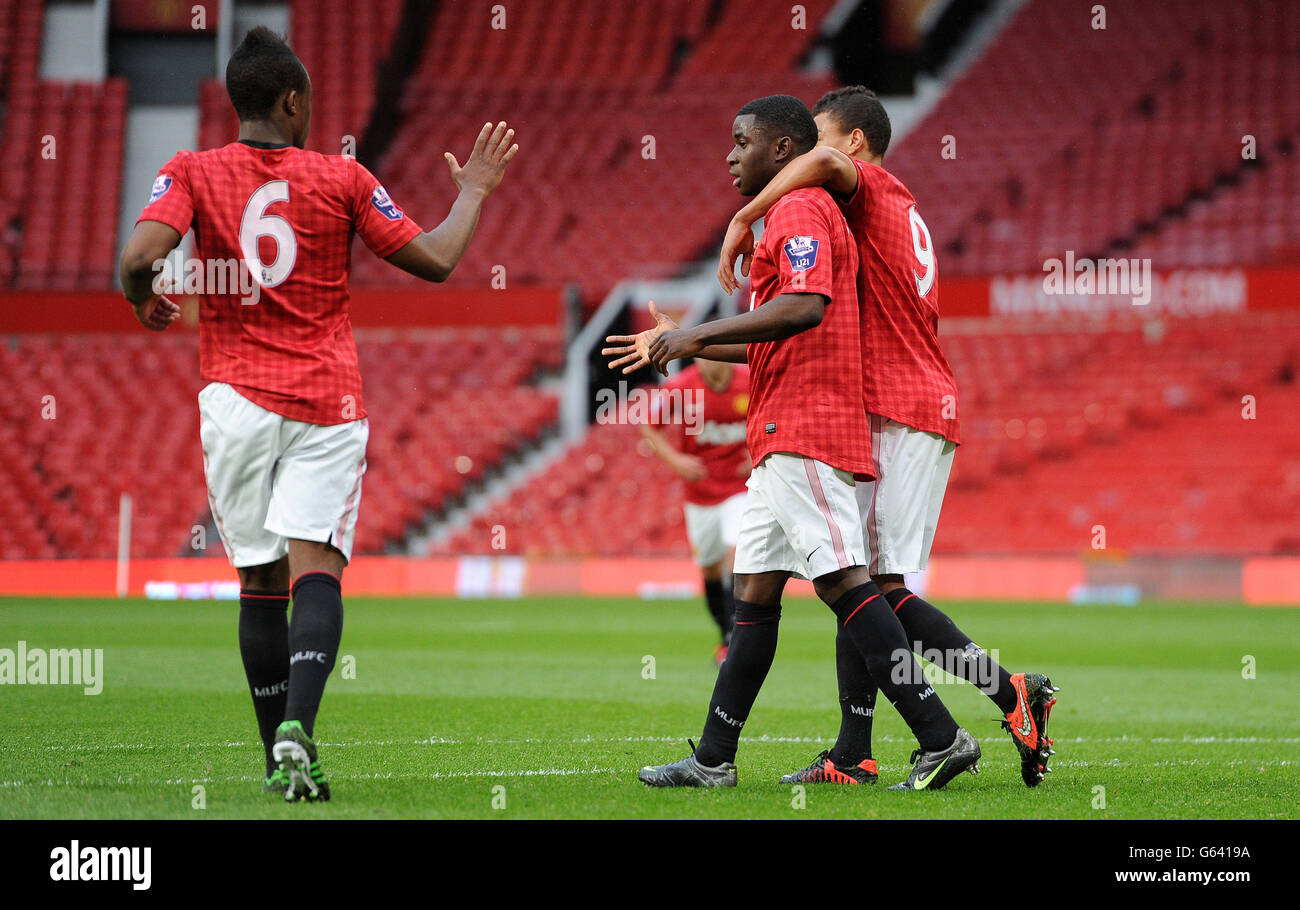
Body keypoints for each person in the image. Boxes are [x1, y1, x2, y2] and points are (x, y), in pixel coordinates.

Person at [118, 27, 518, 801]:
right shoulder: (343, 177)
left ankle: (277, 755)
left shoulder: (191, 171)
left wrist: (145, 301)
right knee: (318, 570)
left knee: (259, 581)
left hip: (233, 396)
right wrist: (471, 189)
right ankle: (303, 726)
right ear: (294, 102)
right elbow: (434, 260)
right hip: (326, 401)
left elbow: (139, 260)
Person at [606, 94, 980, 791]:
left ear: (784, 150)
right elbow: (785, 337)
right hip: (782, 423)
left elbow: (805, 308)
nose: (729, 154)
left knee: (846, 581)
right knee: (755, 594)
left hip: (805, 428)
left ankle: (939, 734)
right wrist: (692, 342)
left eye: (742, 141)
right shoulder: (808, 211)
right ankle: (714, 757)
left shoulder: (803, 208)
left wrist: (692, 334)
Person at [718, 85, 1057, 787]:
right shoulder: (895, 209)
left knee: (868, 587)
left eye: (818, 140)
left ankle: (1002, 692)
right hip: (913, 401)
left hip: (897, 405)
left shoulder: (864, 182)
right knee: (865, 581)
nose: (807, 156)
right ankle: (855, 751)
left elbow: (822, 171)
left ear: (855, 145)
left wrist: (746, 214)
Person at [639, 348, 750, 663]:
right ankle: (725, 633)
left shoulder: (749, 381)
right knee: (710, 567)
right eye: (699, 353)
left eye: (710, 352)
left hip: (740, 488)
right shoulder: (680, 387)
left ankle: (737, 639)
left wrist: (759, 449)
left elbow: (775, 413)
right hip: (700, 493)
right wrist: (675, 460)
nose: (704, 360)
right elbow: (649, 426)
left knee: (737, 555)